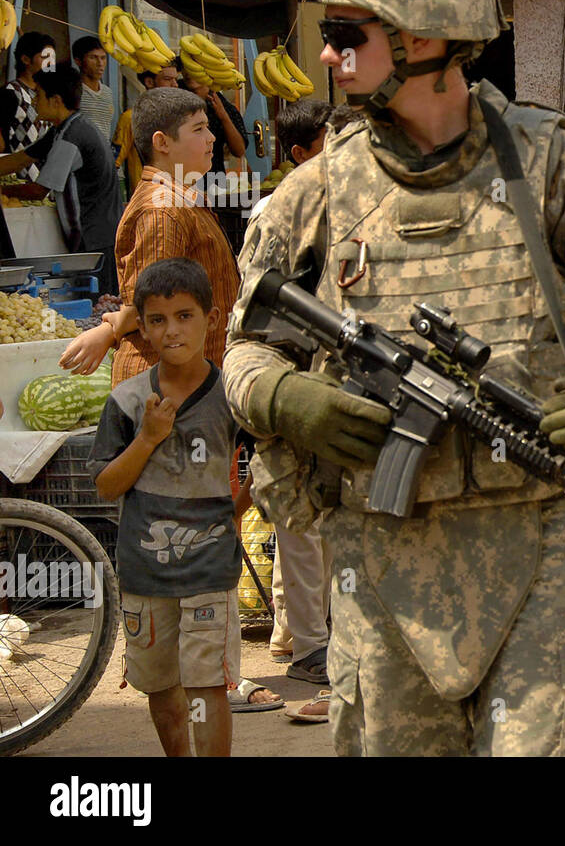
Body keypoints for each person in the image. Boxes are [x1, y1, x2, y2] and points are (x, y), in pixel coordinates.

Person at [223, 0, 565, 756]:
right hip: (376, 560)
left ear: (425, 36)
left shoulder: (558, 166)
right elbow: (245, 345)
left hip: (540, 542)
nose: (326, 55)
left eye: (342, 33)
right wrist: (286, 397)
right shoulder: (314, 194)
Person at [87, 258, 244, 756]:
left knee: (205, 686)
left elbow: (270, 460)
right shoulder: (129, 401)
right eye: (157, 320)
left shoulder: (231, 397)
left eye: (184, 315)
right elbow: (107, 485)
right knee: (160, 686)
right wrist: (149, 439)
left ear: (212, 319)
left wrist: (234, 509)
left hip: (208, 569)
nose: (171, 330)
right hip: (144, 571)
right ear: (144, 328)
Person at [57, 87, 238, 392]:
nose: (212, 138)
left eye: (208, 127)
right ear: (162, 142)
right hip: (163, 386)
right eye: (199, 129)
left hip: (189, 377)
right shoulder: (161, 210)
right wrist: (109, 329)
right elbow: (152, 302)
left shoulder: (181, 199)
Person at [247, 99, 335, 692]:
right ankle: (310, 646)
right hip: (292, 386)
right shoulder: (281, 212)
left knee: (299, 522)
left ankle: (290, 631)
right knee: (303, 523)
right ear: (301, 154)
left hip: (311, 386)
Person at [0, 62, 123, 295]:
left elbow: (39, 190)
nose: (34, 102)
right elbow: (22, 159)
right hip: (98, 233)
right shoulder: (67, 127)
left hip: (95, 237)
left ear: (55, 100)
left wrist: (5, 192)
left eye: (38, 96)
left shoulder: (72, 136)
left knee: (100, 302)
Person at [113, 58, 181, 197]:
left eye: (175, 79)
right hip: (147, 200)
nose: (174, 85)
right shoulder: (131, 118)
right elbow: (113, 163)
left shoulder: (179, 119)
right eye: (168, 79)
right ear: (149, 82)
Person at [0, 31, 56, 181]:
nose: (50, 63)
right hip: (19, 181)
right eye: (45, 57)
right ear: (25, 59)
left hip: (45, 183)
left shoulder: (51, 95)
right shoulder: (11, 93)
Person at [180, 73, 247, 182]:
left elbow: (239, 150)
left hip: (214, 181)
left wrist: (223, 116)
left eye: (197, 91)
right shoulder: (176, 93)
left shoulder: (222, 105)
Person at [72, 36, 116, 145]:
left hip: (103, 156)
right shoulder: (73, 91)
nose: (100, 63)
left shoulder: (107, 92)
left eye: (103, 58)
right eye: (93, 58)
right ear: (78, 61)